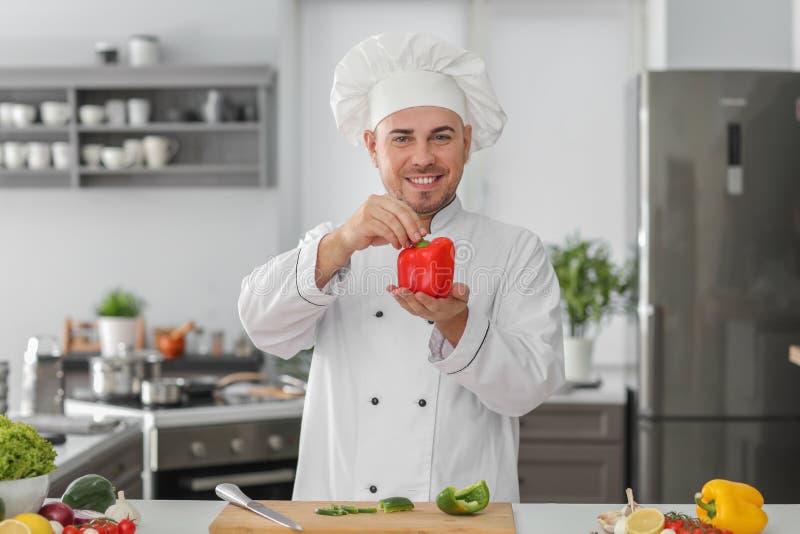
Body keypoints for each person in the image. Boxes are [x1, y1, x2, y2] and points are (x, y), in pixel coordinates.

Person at [238, 32, 565, 503]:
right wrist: (341, 243)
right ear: (373, 147)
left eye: (441, 136)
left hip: (461, 515)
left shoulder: (515, 250)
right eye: (402, 138)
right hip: (344, 511)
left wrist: (457, 322)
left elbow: (528, 389)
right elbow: (261, 325)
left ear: (467, 143)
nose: (423, 157)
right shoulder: (335, 244)